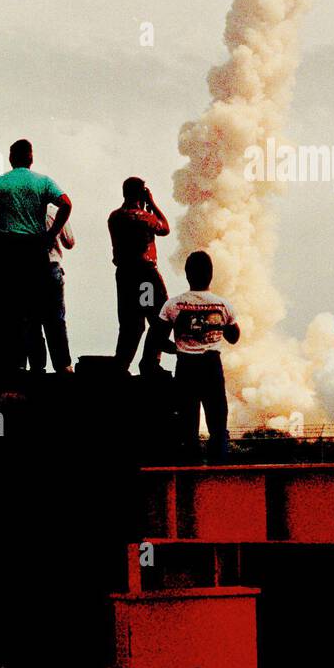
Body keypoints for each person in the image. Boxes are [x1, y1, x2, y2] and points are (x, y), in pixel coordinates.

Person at [0, 140, 72, 373]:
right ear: (30, 158)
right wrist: (52, 233)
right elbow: (66, 204)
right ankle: (61, 365)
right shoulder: (43, 181)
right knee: (44, 309)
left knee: (18, 312)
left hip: (9, 250)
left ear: (11, 158)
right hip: (36, 248)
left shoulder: (0, 182)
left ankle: (24, 364)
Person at [158, 251, 239, 461]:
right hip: (212, 365)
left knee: (187, 424)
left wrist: (176, 348)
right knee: (218, 422)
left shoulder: (173, 305)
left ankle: (189, 471)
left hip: (186, 366)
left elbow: (158, 338)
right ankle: (218, 470)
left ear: (187, 274)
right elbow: (234, 336)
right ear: (211, 274)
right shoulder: (223, 305)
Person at [108, 178, 170, 373]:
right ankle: (150, 362)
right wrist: (151, 203)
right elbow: (164, 228)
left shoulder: (115, 217)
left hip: (125, 276)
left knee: (130, 324)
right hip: (145, 278)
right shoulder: (143, 217)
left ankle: (121, 364)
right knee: (157, 316)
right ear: (140, 193)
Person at [33, 209, 76, 374]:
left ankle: (37, 366)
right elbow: (69, 242)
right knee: (56, 320)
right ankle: (63, 365)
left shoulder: (19, 212)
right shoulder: (53, 212)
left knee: (31, 321)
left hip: (27, 269)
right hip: (52, 266)